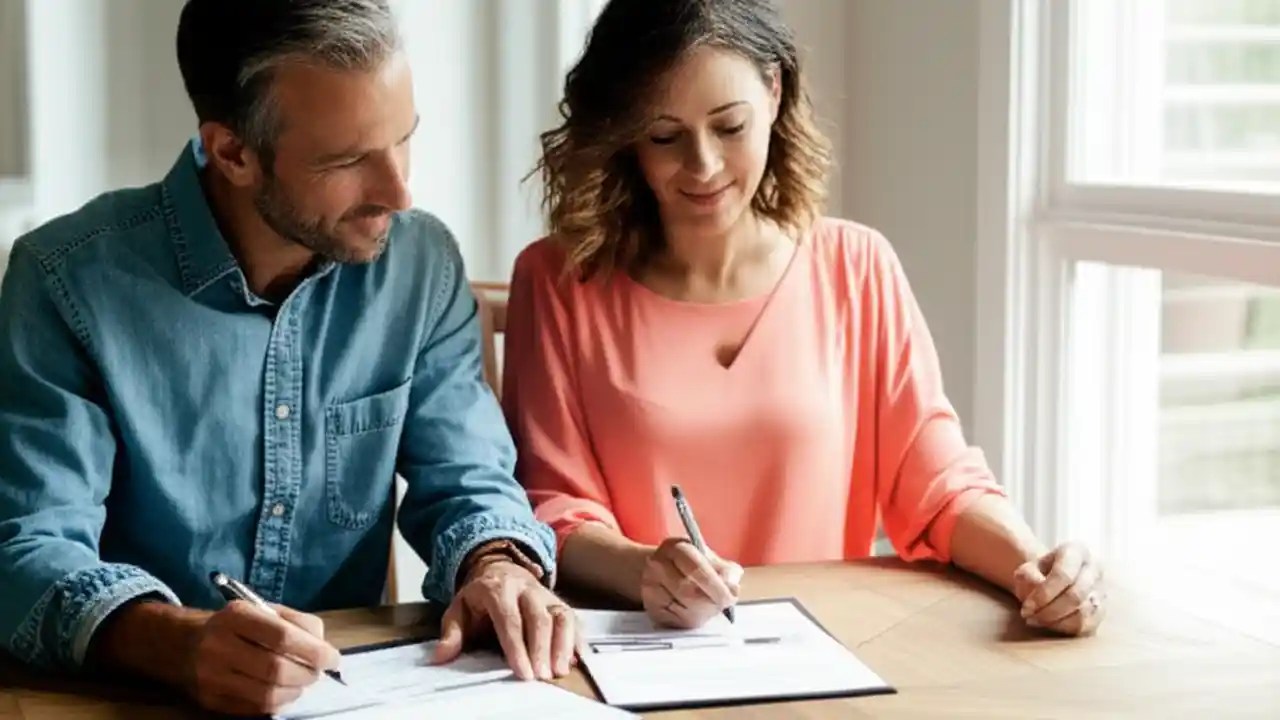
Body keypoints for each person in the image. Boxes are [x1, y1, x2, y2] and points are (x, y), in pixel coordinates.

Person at [0, 1, 576, 716]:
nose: (399, 191)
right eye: (348, 161)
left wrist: (498, 566)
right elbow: (24, 549)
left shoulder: (420, 265)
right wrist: (174, 642)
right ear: (233, 152)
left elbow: (468, 478)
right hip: (135, 700)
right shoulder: (65, 280)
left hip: (353, 697)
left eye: (404, 140)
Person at [504, 0, 1106, 638]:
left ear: (773, 91)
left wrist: (1037, 568)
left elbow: (939, 486)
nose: (703, 166)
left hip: (822, 653)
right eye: (664, 136)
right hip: (628, 654)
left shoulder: (857, 267)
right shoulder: (556, 280)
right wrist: (645, 570)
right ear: (625, 133)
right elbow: (553, 508)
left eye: (729, 127)